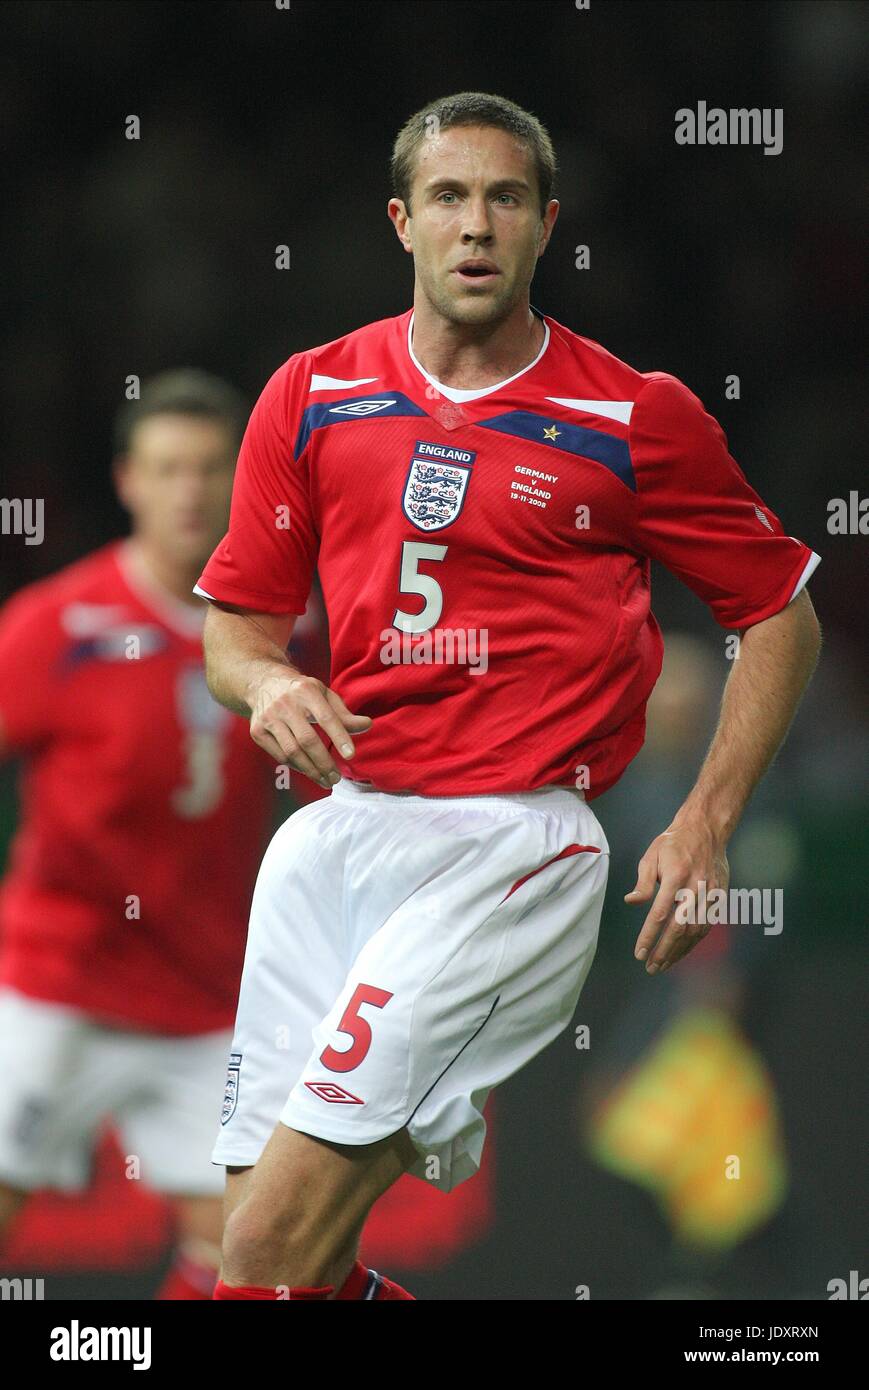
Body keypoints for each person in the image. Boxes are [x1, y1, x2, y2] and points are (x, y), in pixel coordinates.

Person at [195, 92, 822, 1301]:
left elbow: (775, 609)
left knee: (266, 1250)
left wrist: (705, 817)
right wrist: (268, 679)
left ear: (544, 225)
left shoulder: (632, 413)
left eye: (501, 199)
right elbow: (235, 629)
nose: (473, 224)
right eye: (446, 197)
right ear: (401, 221)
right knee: (270, 1263)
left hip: (511, 842)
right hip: (332, 838)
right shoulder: (310, 394)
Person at [0, 370, 277, 1298]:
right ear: (127, 481)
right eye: (167, 468)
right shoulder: (57, 626)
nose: (189, 491)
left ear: (243, 479)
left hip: (204, 996)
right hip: (56, 984)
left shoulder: (281, 631)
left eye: (209, 467)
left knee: (252, 1257)